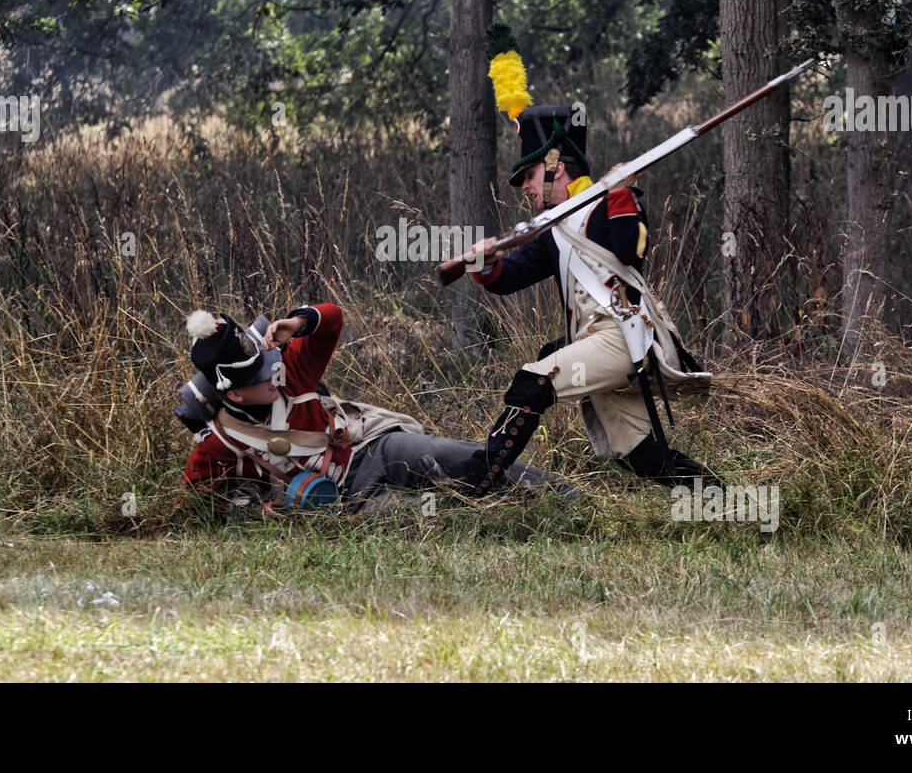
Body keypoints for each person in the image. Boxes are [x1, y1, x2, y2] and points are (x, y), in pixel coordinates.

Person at [460, 26, 724, 497]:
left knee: (532, 382)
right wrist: (483, 264)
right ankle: (729, 502)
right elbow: (510, 277)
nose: (525, 186)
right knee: (641, 456)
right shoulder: (556, 227)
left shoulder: (608, 205)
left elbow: (631, 252)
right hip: (596, 346)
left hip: (622, 337)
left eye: (531, 174)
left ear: (557, 166)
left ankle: (476, 488)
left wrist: (622, 190)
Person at [174, 301, 577, 513]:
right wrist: (256, 508)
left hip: (374, 445)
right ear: (237, 395)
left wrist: (296, 324)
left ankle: (568, 498)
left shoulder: (292, 365)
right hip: (350, 502)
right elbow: (194, 505)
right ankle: (505, 518)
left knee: (467, 459)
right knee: (430, 515)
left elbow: (332, 319)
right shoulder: (221, 444)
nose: (274, 367)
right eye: (262, 374)